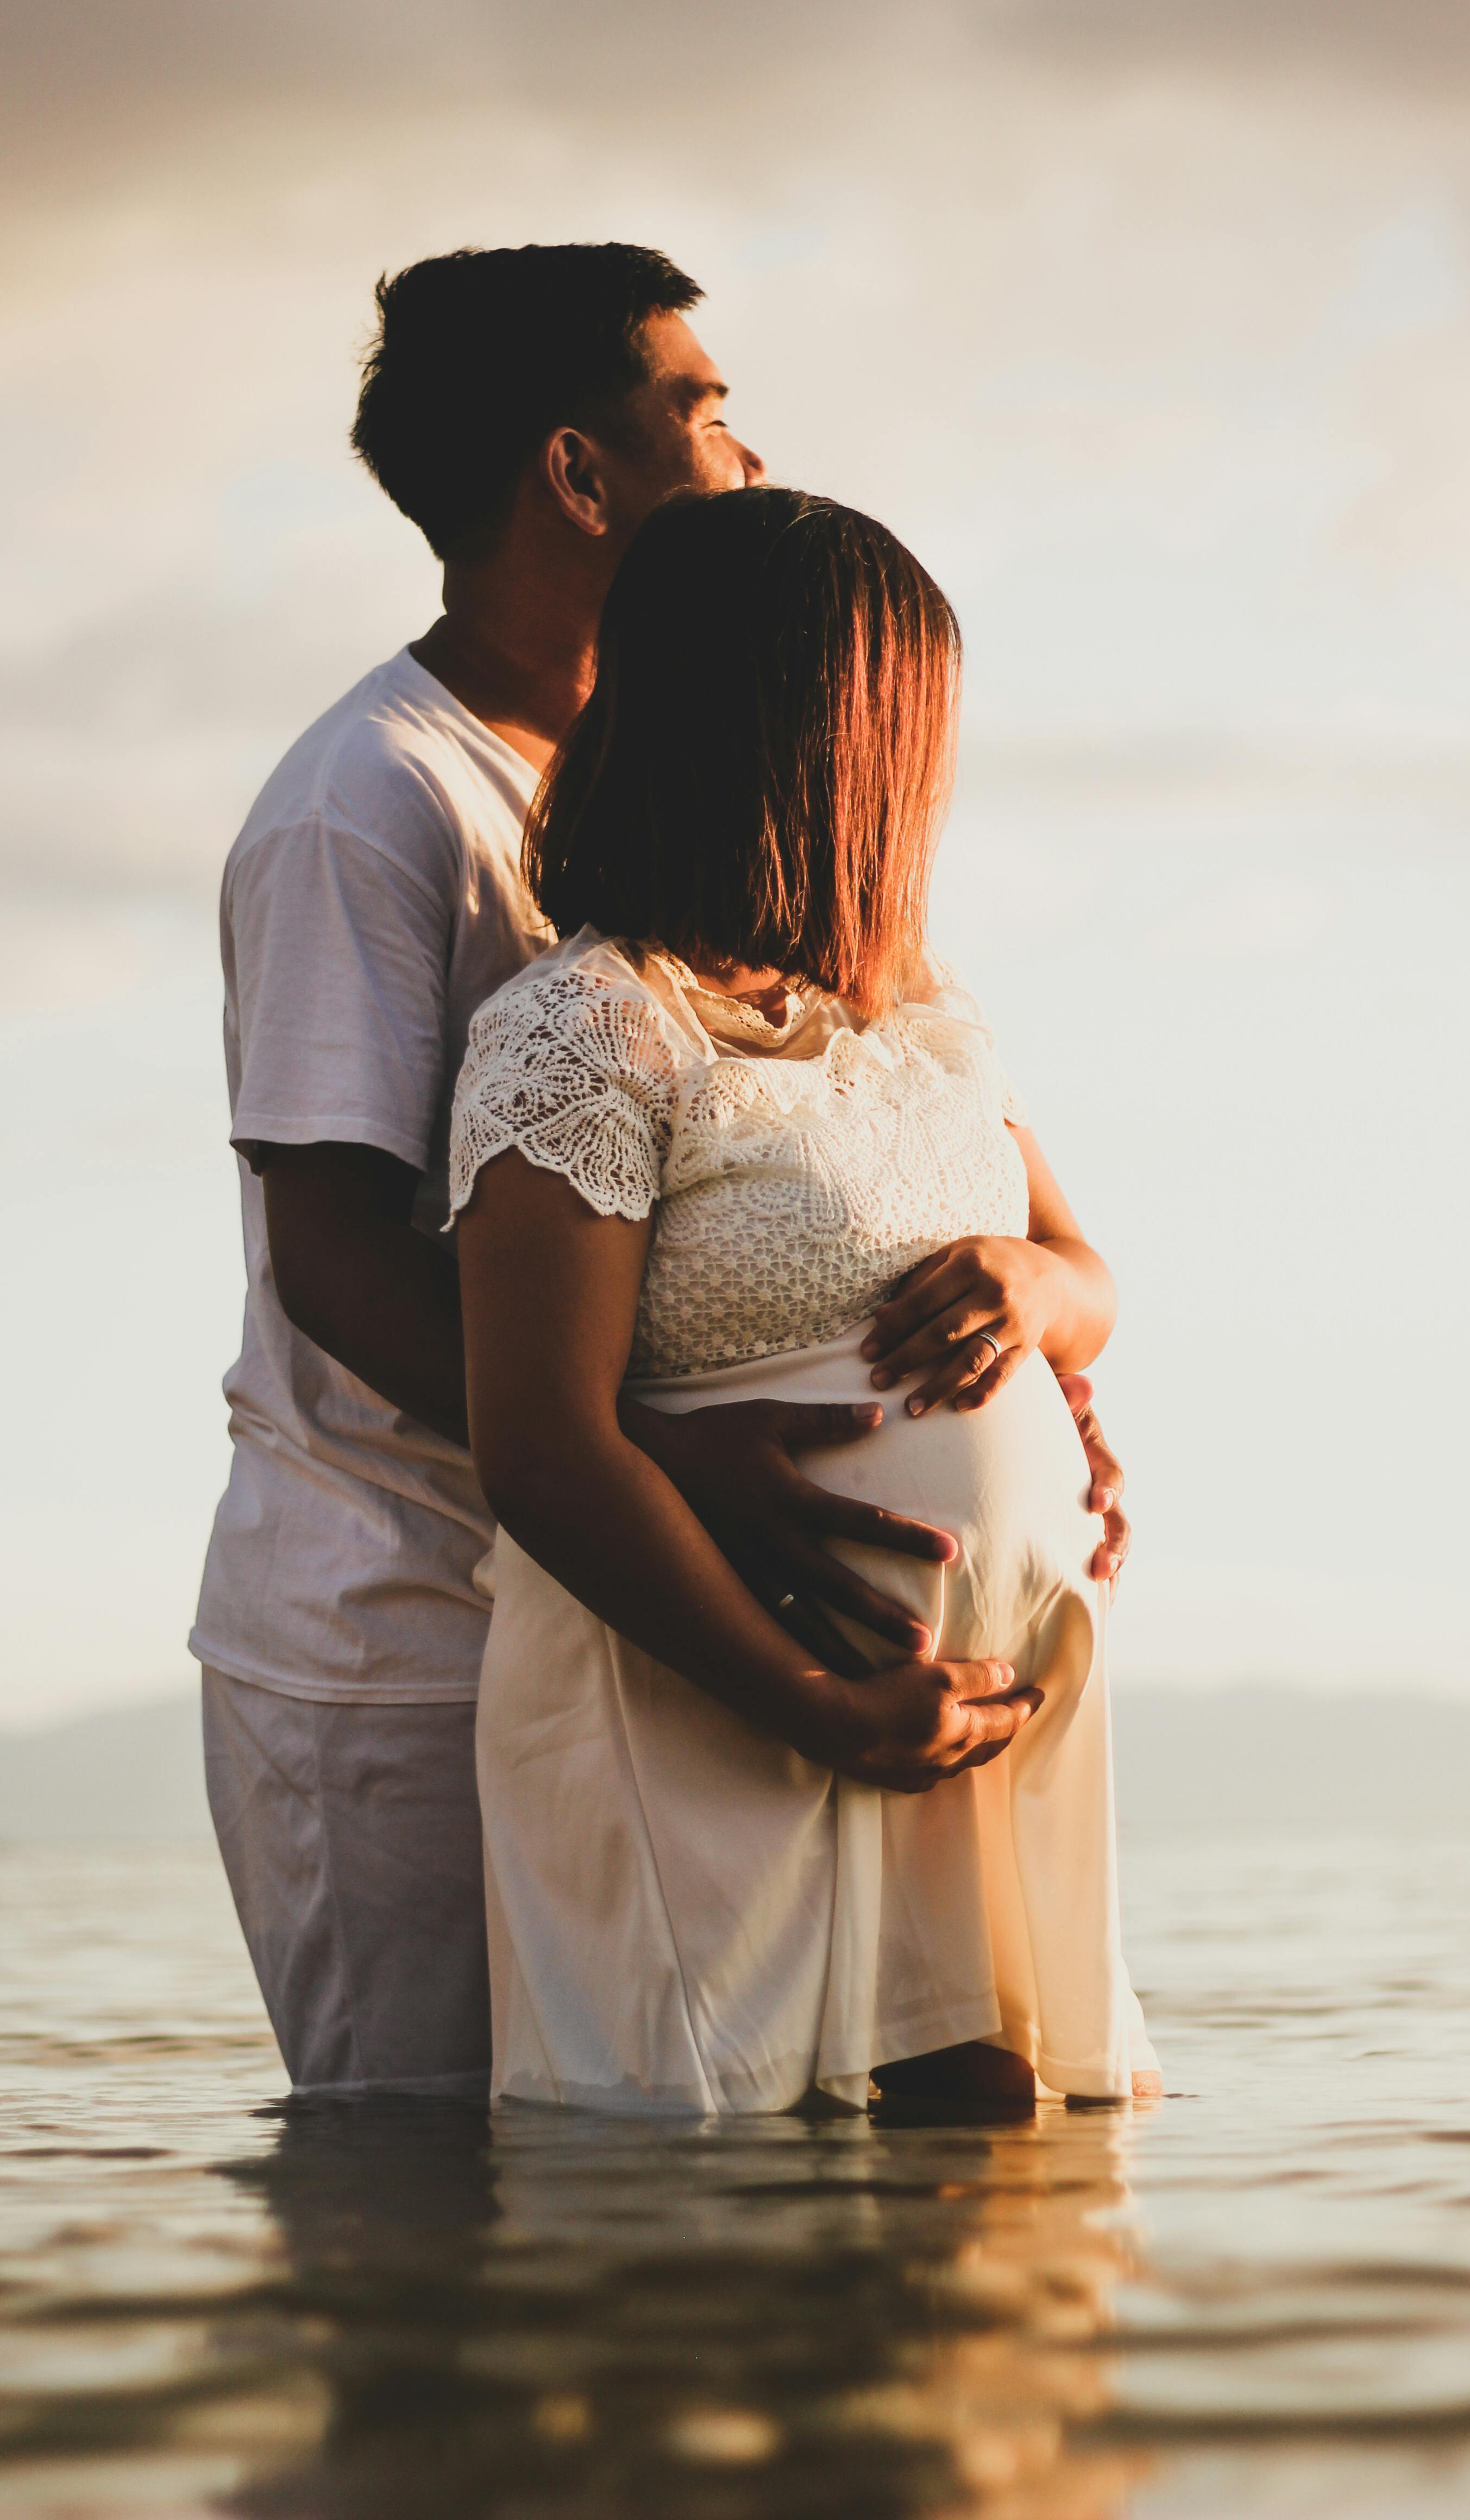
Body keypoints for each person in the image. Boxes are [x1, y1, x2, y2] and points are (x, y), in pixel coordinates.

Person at [191, 242, 1131, 2100]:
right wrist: (649, 1458)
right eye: (700, 405)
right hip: (415, 1623)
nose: (747, 445)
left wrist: (1026, 1346)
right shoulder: (366, 805)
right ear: (576, 469)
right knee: (453, 2251)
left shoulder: (705, 803)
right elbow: (336, 1263)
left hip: (687, 1613)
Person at [450, 488, 1159, 2116]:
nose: (930, 786)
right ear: (814, 743)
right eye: (911, 731)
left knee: (986, 2252)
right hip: (729, 1708)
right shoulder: (587, 1032)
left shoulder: (923, 1015)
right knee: (732, 2268)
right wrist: (820, 1706)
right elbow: (541, 1447)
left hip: (957, 1724)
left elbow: (1092, 1284)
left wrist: (1037, 1291)